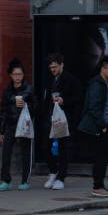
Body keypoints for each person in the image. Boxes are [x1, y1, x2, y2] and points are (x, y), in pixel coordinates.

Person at [78, 55, 108, 198]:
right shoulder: (97, 84)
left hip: (107, 124)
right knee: (101, 157)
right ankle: (97, 186)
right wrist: (103, 126)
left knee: (104, 157)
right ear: (103, 69)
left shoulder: (107, 84)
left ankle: (100, 185)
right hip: (101, 127)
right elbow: (93, 107)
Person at [41, 53, 82, 191]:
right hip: (50, 117)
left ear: (61, 65)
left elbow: (78, 98)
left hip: (64, 118)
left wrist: (64, 101)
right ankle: (53, 172)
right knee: (45, 146)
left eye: (55, 67)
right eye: (51, 67)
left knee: (63, 148)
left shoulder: (71, 80)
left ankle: (61, 177)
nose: (53, 69)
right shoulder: (49, 79)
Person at [0, 58, 35, 191]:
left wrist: (26, 105)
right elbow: (3, 111)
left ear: (23, 75)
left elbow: (37, 108)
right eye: (15, 74)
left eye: (20, 74)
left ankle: (25, 181)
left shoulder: (29, 90)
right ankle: (5, 181)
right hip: (10, 125)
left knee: (26, 153)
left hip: (24, 125)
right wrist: (1, 130)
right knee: (6, 153)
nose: (17, 77)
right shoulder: (7, 91)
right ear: (11, 75)